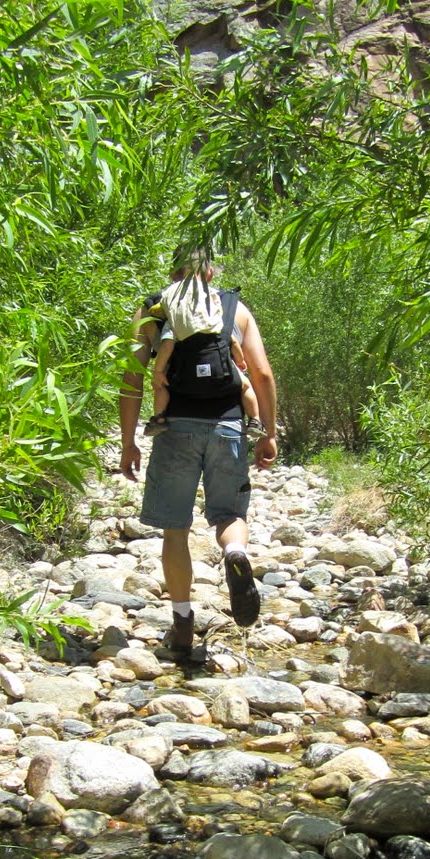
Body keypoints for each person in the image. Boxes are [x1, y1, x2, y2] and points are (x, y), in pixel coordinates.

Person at [119, 258, 278, 656]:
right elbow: (262, 375)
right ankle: (235, 553)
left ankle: (183, 624)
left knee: (175, 528)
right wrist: (268, 433)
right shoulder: (234, 309)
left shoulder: (154, 308)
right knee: (228, 514)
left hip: (174, 428)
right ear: (212, 273)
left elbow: (132, 376)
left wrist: (128, 442)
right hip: (227, 427)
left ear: (173, 273)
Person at [143, 273, 264, 441]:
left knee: (161, 386)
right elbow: (233, 342)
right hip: (219, 365)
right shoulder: (215, 321)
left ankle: (159, 418)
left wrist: (158, 371)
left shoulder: (174, 322)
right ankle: (255, 420)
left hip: (185, 371)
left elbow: (167, 346)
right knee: (245, 385)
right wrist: (240, 360)